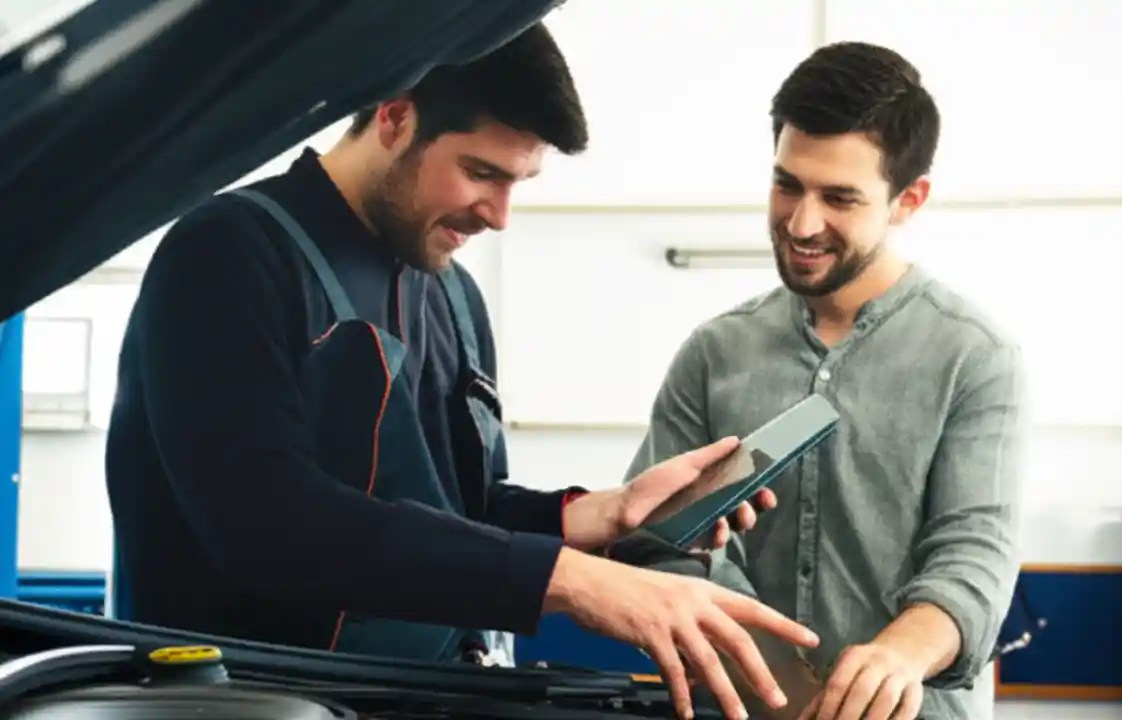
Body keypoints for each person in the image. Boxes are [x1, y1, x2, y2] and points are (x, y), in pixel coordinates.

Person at [104, 22, 816, 720]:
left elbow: (461, 512)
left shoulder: (448, 290)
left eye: (518, 181)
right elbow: (267, 523)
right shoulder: (228, 255)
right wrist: (568, 581)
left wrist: (601, 514)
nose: (499, 215)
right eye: (480, 173)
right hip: (242, 703)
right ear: (394, 116)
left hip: (414, 693)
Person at [625, 41, 1027, 720]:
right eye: (788, 184)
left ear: (909, 199)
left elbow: (972, 556)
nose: (802, 223)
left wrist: (898, 655)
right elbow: (656, 540)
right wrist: (783, 683)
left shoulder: (974, 356)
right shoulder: (714, 353)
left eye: (839, 197)